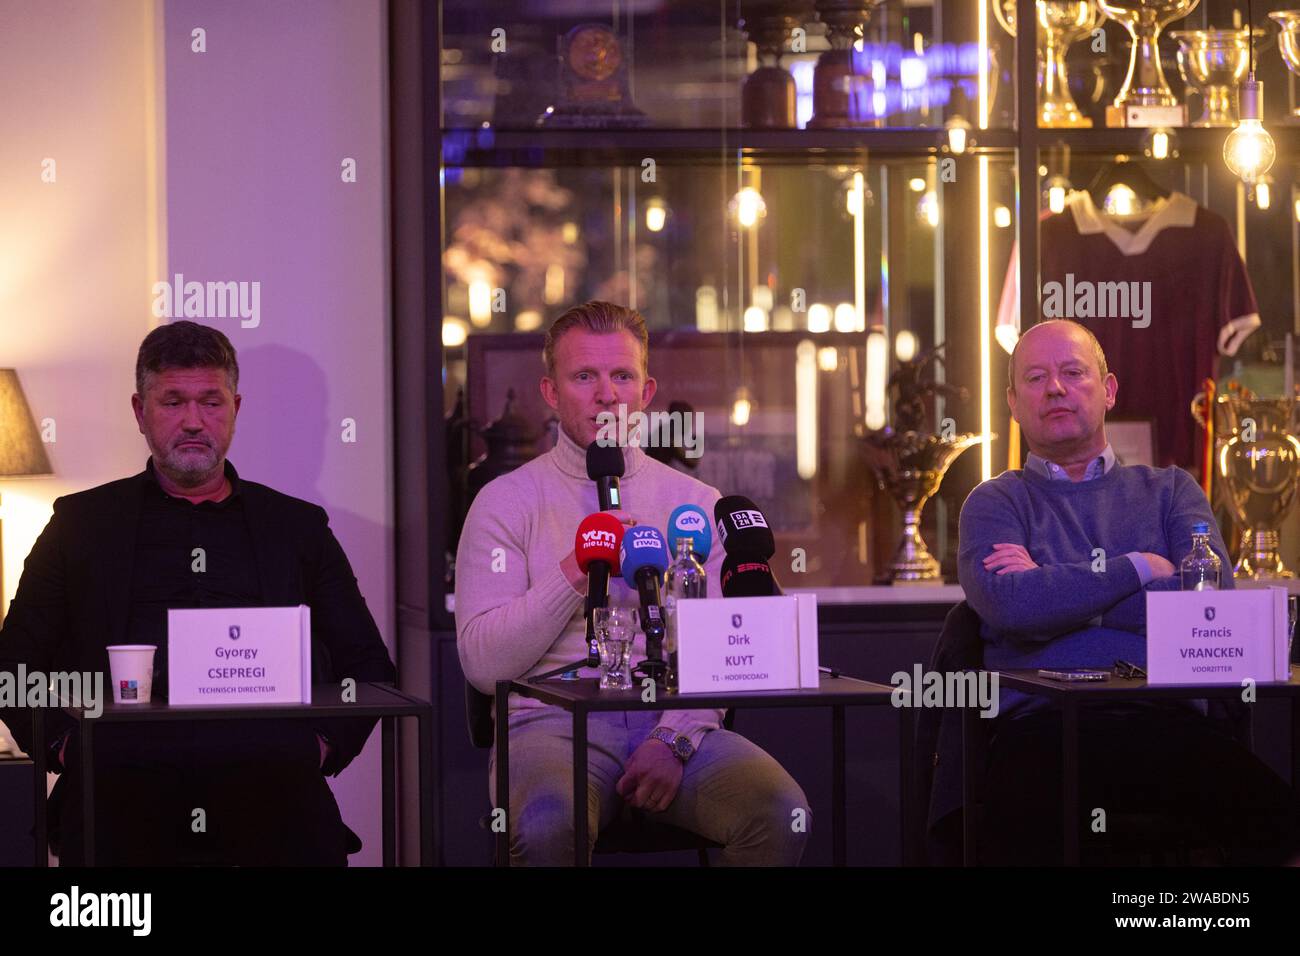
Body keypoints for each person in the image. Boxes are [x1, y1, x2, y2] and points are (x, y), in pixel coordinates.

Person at [0, 321, 396, 865]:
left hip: (271, 782)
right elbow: (15, 661)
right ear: (140, 411)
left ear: (236, 406)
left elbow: (368, 662)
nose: (193, 421)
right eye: (173, 402)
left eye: (210, 402)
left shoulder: (297, 527)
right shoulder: (80, 524)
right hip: (121, 782)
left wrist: (320, 746)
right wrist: (64, 747)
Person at [456, 300, 809, 866]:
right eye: (584, 377)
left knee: (779, 811)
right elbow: (482, 665)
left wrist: (673, 739)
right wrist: (575, 567)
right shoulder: (504, 501)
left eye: (622, 376)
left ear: (646, 394)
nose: (606, 394)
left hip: (673, 721)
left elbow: (719, 654)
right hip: (550, 723)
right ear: (551, 392)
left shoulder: (697, 504)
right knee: (549, 826)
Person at [958, 318, 1300, 865]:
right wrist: (1140, 567)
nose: (1054, 388)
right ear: (1013, 402)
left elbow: (1211, 608)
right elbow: (1013, 605)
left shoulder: (1170, 491)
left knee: (1280, 824)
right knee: (1015, 827)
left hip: (1166, 720)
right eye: (1036, 377)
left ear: (1109, 389)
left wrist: (1060, 591)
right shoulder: (996, 502)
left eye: (1073, 372)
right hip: (1043, 731)